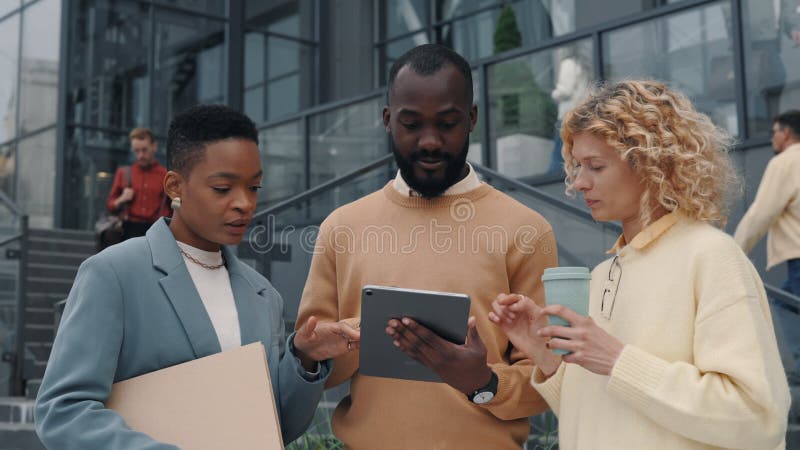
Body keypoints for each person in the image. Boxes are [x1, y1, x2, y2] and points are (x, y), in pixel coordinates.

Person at [35, 105, 360, 449]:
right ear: (175, 186)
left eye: (254, 187)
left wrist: (305, 356)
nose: (244, 204)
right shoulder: (114, 274)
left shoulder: (263, 295)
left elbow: (276, 423)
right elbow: (63, 410)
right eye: (223, 188)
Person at [490, 80, 790, 449]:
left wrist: (616, 358)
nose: (579, 183)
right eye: (577, 166)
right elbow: (599, 412)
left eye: (595, 166)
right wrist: (542, 353)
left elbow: (757, 418)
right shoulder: (603, 274)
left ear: (652, 164)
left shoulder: (711, 256)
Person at [295, 44, 558, 450]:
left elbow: (548, 377)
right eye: (412, 124)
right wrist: (317, 354)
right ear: (387, 120)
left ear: (471, 118)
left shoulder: (526, 231)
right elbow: (315, 367)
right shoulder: (341, 228)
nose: (430, 141)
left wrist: (482, 383)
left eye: (448, 123)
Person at [734, 109, 800, 373]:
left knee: (787, 306)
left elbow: (762, 213)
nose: (772, 138)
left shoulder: (785, 162)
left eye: (774, 132)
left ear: (785, 133)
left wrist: (734, 250)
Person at [106, 127, 170, 241]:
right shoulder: (124, 173)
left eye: (144, 150)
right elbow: (110, 205)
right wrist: (121, 199)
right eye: (136, 151)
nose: (140, 155)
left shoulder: (166, 175)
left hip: (157, 231)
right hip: (128, 231)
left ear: (154, 147)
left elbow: (175, 209)